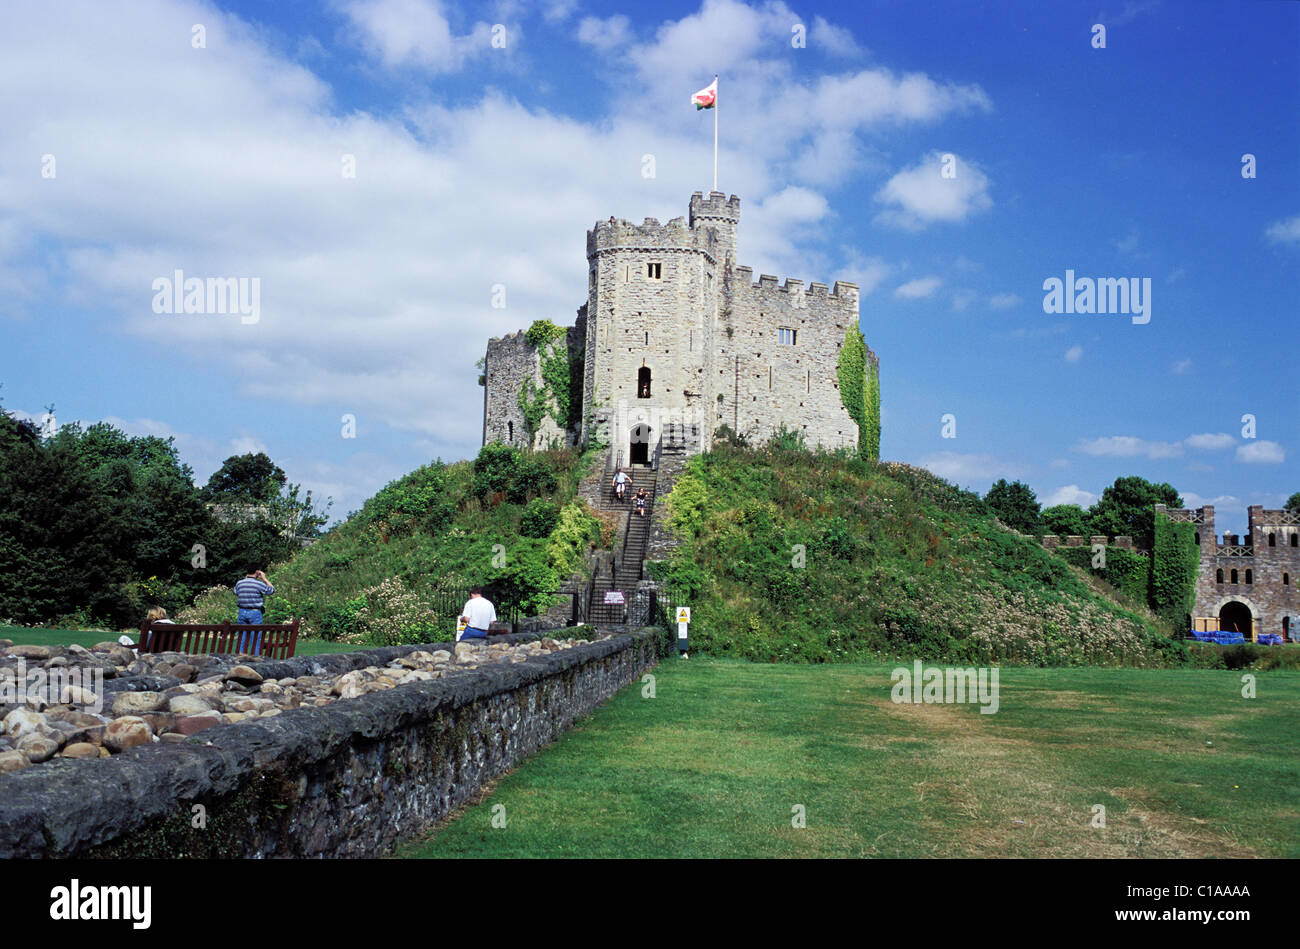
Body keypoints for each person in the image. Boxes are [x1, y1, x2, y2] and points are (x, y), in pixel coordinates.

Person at [233, 568, 275, 655]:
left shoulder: (240, 583)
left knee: (241, 638)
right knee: (255, 639)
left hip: (242, 611)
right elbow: (272, 590)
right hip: (255, 612)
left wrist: (246, 579)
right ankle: (255, 658)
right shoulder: (259, 584)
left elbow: (235, 591)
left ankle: (239, 657)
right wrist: (264, 578)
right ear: (257, 572)